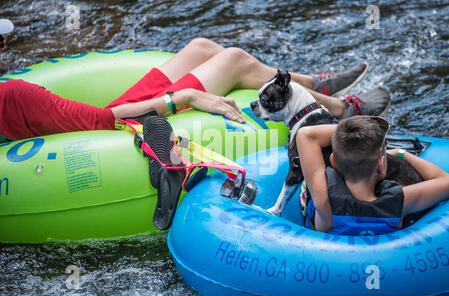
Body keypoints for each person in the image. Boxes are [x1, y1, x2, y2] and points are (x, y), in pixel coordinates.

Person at [1, 38, 374, 141]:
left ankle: (308, 84)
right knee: (234, 59)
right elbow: (101, 120)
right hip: (120, 125)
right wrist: (183, 97)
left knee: (200, 48)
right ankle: (339, 108)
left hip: (96, 119)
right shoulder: (14, 94)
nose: (6, 43)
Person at [297, 116, 449, 235]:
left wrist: (352, 130)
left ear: (333, 162)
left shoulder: (325, 204)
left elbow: (305, 135)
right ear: (382, 164)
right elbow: (445, 181)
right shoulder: (400, 202)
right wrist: (402, 154)